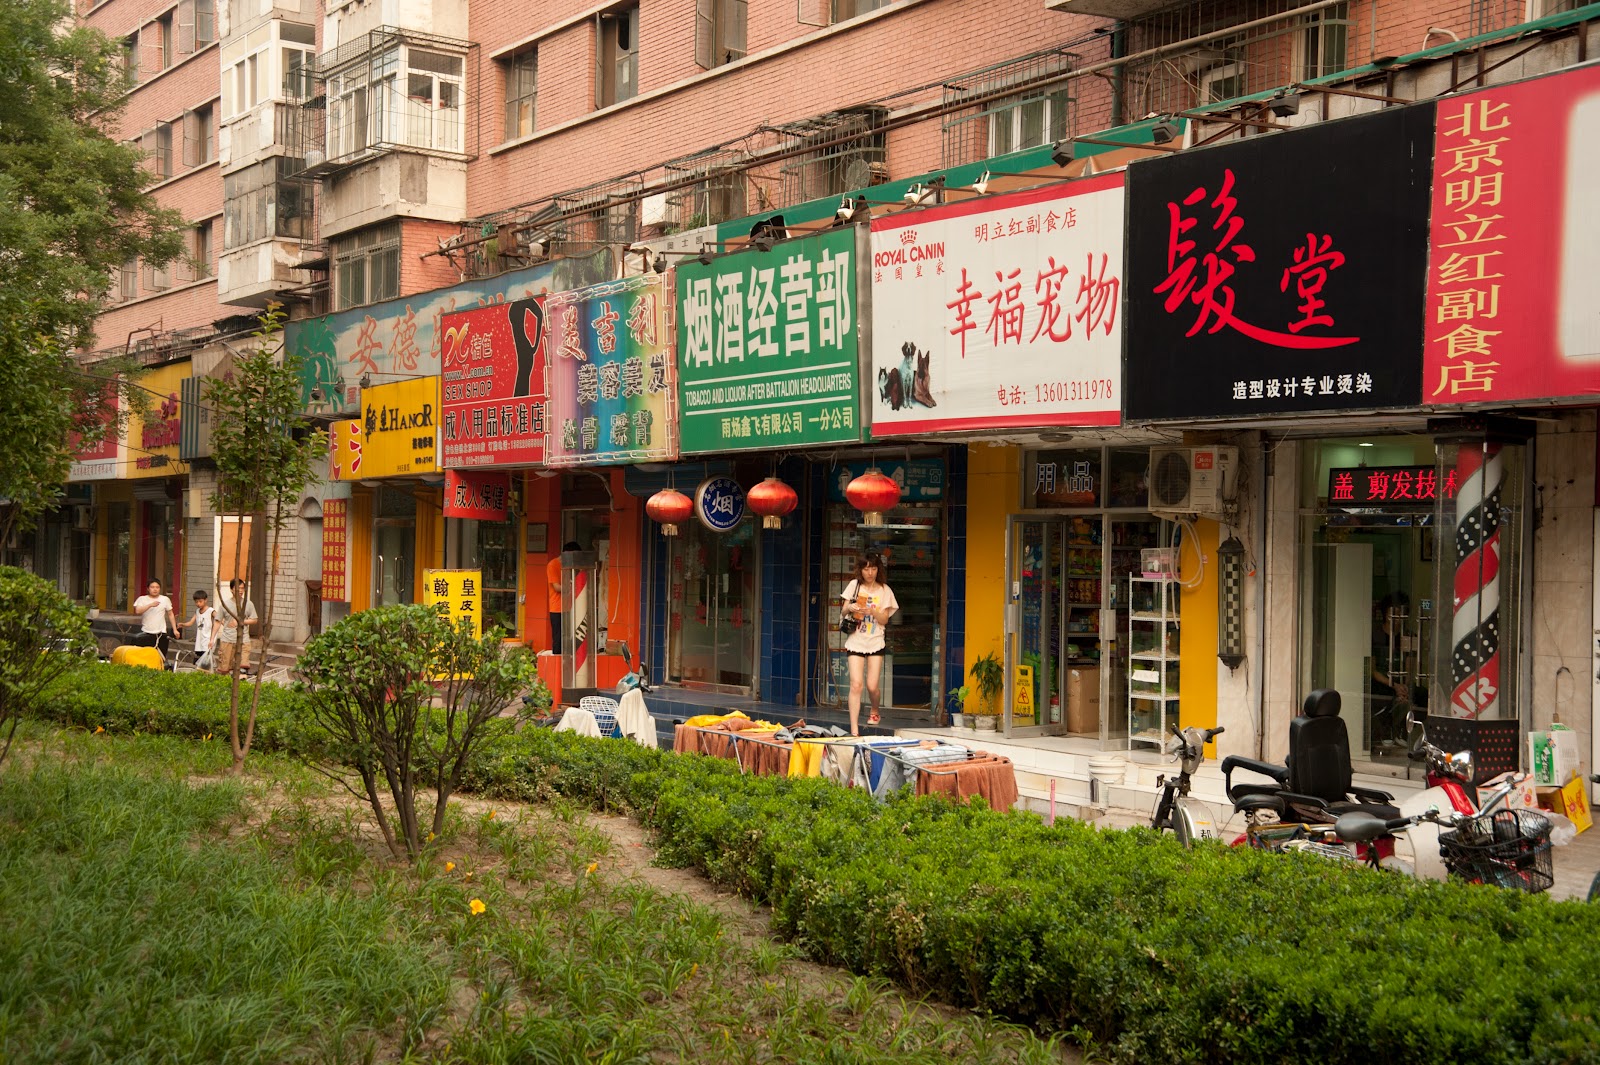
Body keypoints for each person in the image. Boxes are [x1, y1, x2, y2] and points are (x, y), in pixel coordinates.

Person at [841, 551, 898, 735]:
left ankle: (875, 710)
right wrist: (851, 607)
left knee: (872, 685)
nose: (870, 572)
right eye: (866, 569)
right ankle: (854, 728)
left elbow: (885, 620)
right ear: (861, 570)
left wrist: (872, 612)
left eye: (873, 568)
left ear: (878, 569)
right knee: (856, 684)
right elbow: (843, 612)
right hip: (856, 640)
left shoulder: (884, 590)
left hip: (875, 641)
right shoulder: (854, 586)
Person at [1370, 591, 1411, 748]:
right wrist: (1394, 685)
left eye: (1402, 612)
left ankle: (1402, 728)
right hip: (1383, 681)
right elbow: (1373, 671)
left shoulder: (1408, 636)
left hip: (1401, 683)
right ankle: (1386, 730)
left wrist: (1405, 687)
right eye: (1394, 611)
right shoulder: (1375, 635)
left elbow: (1410, 666)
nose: (1398, 616)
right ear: (1385, 613)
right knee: (1383, 694)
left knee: (1420, 695)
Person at [213, 578, 259, 676]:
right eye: (238, 588)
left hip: (243, 640)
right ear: (231, 589)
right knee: (225, 670)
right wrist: (212, 639)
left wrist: (241, 622)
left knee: (242, 669)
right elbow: (217, 621)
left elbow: (255, 620)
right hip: (227, 640)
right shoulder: (224, 605)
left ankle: (241, 688)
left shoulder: (248, 603)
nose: (241, 591)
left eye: (243, 588)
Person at [131, 580, 179, 661]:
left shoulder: (165, 599)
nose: (155, 589)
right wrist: (150, 605)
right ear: (148, 589)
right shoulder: (142, 599)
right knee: (144, 657)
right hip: (146, 632)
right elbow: (138, 611)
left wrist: (175, 629)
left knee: (161, 657)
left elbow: (170, 614)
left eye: (157, 587)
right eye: (152, 587)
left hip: (161, 633)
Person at [547, 541, 580, 655]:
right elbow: (556, 587)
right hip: (557, 607)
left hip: (568, 606)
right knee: (558, 638)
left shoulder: (569, 566)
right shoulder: (553, 564)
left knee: (568, 637)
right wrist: (571, 588)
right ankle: (557, 662)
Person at [179, 589, 215, 669]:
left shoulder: (211, 611)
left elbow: (219, 619)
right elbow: (191, 622)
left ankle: (206, 675)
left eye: (200, 601)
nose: (198, 604)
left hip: (207, 639)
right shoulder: (197, 611)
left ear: (205, 600)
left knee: (206, 661)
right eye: (196, 602)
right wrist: (183, 624)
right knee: (198, 660)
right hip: (199, 640)